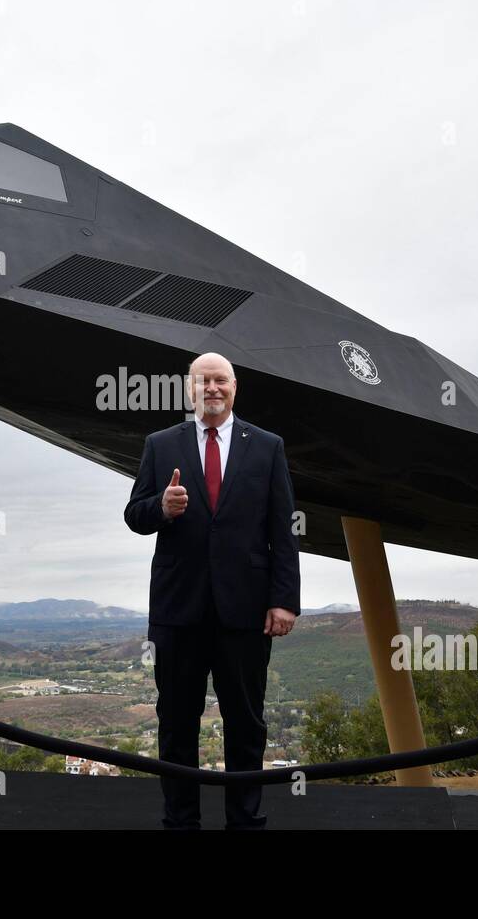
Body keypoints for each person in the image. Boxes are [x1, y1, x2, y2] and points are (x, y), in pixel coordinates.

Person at [123, 352, 300, 829]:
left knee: (246, 725)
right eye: (203, 381)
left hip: (246, 612)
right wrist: (161, 506)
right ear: (189, 390)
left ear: (234, 386)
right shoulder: (161, 445)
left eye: (220, 380)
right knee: (176, 725)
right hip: (178, 611)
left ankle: (245, 823)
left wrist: (284, 600)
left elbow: (283, 530)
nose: (212, 388)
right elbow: (134, 515)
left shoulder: (267, 447)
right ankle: (180, 823)